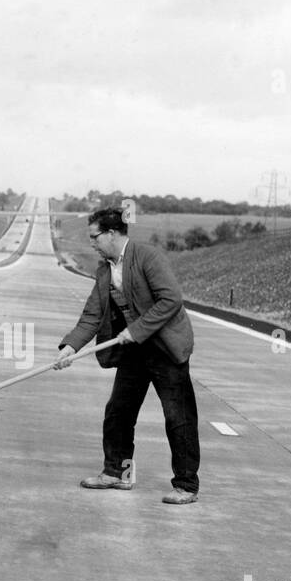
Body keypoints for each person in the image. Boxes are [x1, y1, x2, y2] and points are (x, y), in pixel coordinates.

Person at [54, 207, 200, 504]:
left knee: (178, 417)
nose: (91, 242)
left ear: (111, 234)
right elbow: (93, 313)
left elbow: (171, 299)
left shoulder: (147, 256)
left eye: (94, 236)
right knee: (118, 412)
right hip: (134, 350)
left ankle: (186, 485)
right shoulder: (105, 269)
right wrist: (70, 347)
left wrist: (137, 329)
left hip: (166, 348)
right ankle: (117, 473)